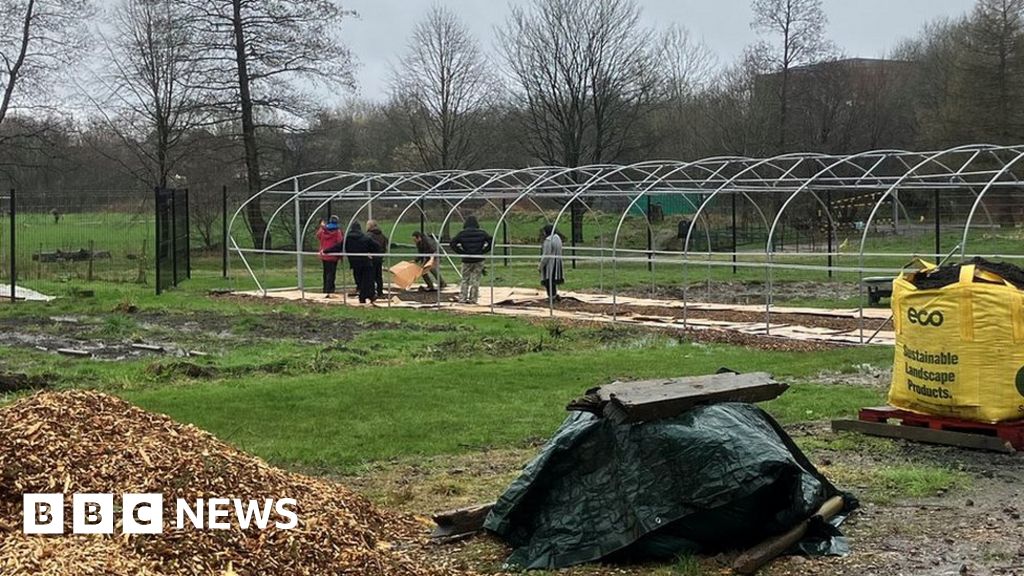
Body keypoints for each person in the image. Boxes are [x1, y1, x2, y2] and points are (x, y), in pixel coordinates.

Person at [326, 222, 379, 304]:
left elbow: (338, 247)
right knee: (368, 280)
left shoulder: (347, 239)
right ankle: (368, 295)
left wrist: (326, 251)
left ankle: (365, 296)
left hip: (355, 263)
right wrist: (371, 253)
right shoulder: (365, 238)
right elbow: (377, 246)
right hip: (365, 263)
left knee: (360, 281)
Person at [449, 216, 492, 304]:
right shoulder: (482, 233)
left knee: (465, 279)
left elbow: (452, 243)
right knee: (475, 280)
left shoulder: (462, 234)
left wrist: (461, 252)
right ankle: (473, 299)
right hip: (479, 259)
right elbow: (492, 241)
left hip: (466, 260)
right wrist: (483, 251)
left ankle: (462, 298)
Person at [315, 216, 343, 298]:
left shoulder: (323, 230)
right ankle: (330, 289)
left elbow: (318, 236)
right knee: (331, 273)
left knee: (326, 272)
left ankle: (325, 288)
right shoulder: (337, 231)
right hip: (333, 255)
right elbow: (340, 242)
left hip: (324, 254)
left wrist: (322, 227)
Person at [539, 224, 564, 301]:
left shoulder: (548, 240)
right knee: (553, 280)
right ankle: (554, 295)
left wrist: (540, 265)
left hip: (550, 264)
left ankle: (552, 297)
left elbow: (546, 254)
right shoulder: (557, 238)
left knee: (549, 280)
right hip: (557, 262)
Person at [366, 219, 389, 299]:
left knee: (371, 276)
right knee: (378, 276)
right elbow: (386, 243)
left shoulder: (369, 235)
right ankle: (380, 291)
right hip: (379, 257)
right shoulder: (381, 234)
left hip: (371, 258)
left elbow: (366, 245)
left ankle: (372, 292)